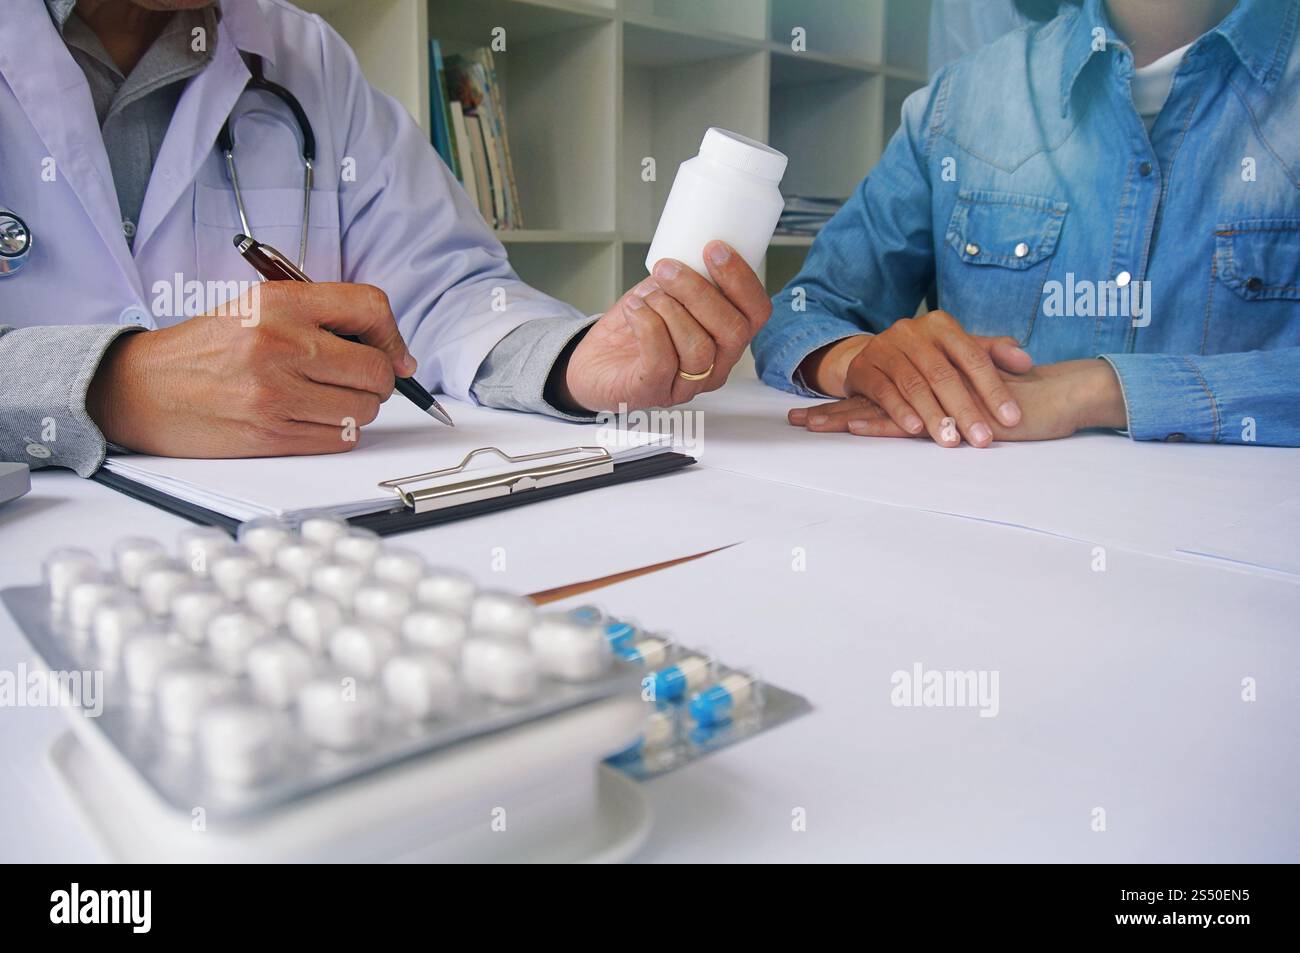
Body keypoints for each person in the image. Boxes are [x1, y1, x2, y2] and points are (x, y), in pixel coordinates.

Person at [0, 0, 770, 475]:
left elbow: (440, 286)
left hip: (286, 550)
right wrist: (115, 385)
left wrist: (571, 362)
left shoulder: (304, 57)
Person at [759, 0, 1300, 447]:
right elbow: (806, 309)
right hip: (978, 530)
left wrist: (1098, 390)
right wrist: (860, 361)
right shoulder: (961, 100)